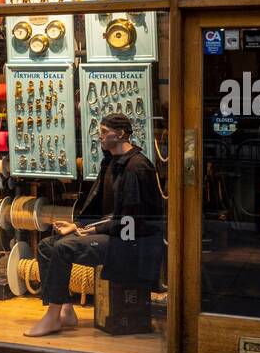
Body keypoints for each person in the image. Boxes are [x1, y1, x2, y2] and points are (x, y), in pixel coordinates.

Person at [25, 113, 163, 337]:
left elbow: (132, 220)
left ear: (120, 134)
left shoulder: (137, 167)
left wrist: (96, 229)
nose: (100, 137)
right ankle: (66, 309)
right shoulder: (111, 162)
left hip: (131, 243)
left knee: (64, 248)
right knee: (48, 245)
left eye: (104, 132)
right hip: (114, 232)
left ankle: (52, 317)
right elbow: (100, 208)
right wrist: (77, 225)